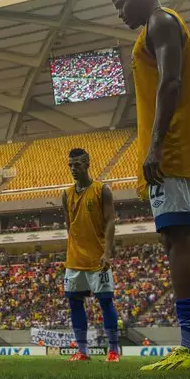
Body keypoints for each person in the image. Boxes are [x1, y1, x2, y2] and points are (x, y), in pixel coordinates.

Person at [109, 0, 190, 372]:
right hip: (189, 147)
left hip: (173, 148)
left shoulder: (160, 20)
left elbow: (170, 83)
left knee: (176, 239)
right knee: (186, 239)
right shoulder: (158, 27)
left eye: (122, 0)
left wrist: (155, 146)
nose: (119, 10)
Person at [61, 148, 121, 363]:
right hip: (74, 261)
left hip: (98, 259)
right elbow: (69, 225)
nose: (73, 169)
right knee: (74, 303)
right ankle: (82, 352)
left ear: (87, 163)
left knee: (105, 302)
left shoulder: (101, 190)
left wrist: (107, 253)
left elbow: (111, 221)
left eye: (77, 164)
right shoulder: (66, 194)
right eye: (70, 165)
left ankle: (113, 350)